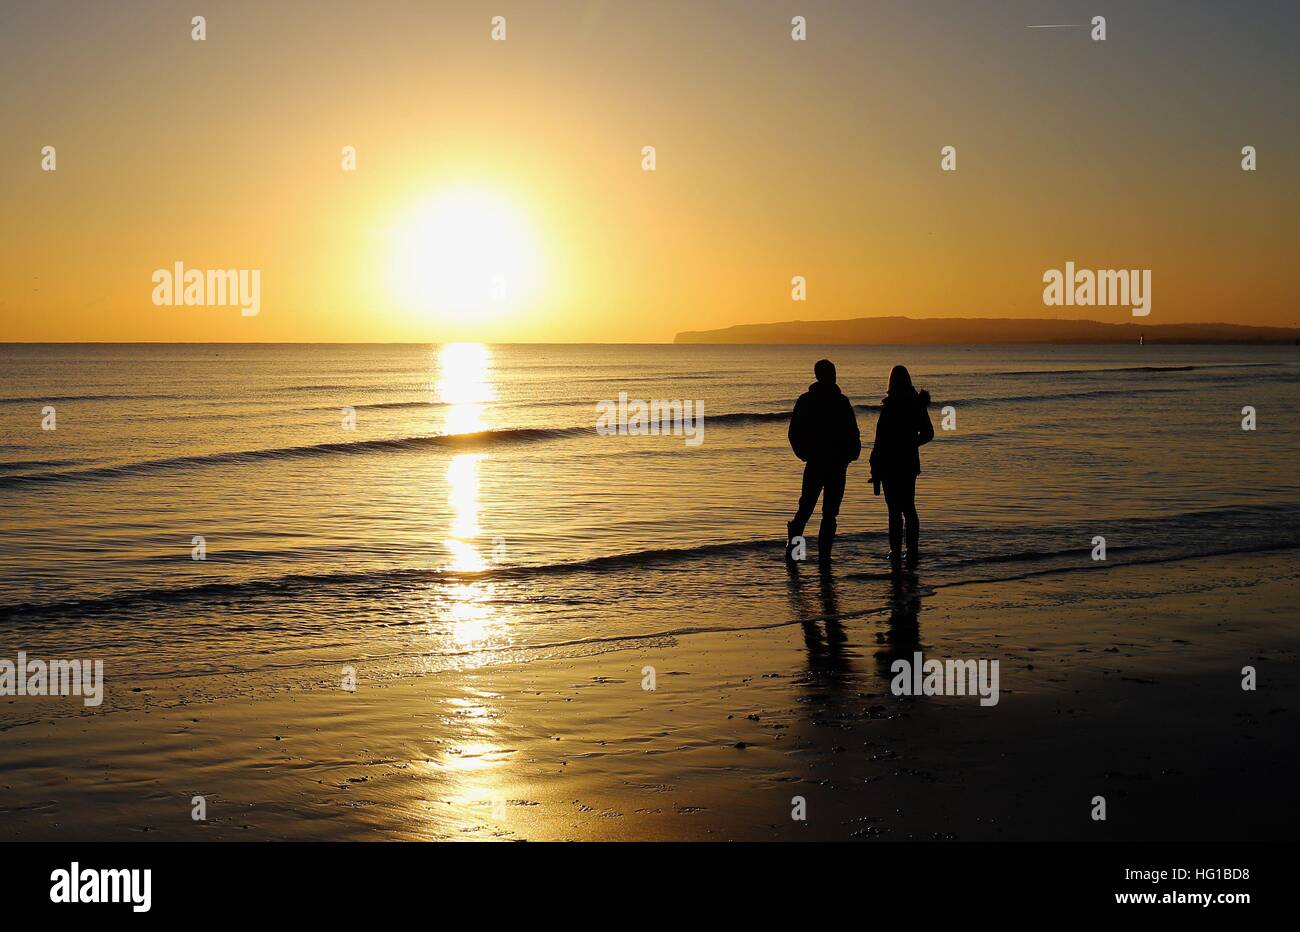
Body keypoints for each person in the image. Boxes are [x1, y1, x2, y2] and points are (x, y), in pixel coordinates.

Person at [786, 359, 861, 565]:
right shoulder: (835, 401)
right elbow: (852, 432)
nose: (834, 376)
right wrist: (804, 454)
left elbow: (794, 432)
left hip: (826, 463)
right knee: (819, 511)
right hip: (829, 463)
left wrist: (851, 454)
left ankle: (805, 556)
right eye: (832, 372)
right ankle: (817, 557)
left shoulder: (812, 400)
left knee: (815, 510)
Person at [868, 365, 933, 566]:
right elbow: (928, 433)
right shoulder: (916, 404)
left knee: (895, 510)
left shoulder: (890, 405)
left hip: (890, 464)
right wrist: (911, 444)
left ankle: (896, 551)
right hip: (908, 464)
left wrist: (875, 468)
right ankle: (911, 550)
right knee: (908, 508)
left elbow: (880, 441)